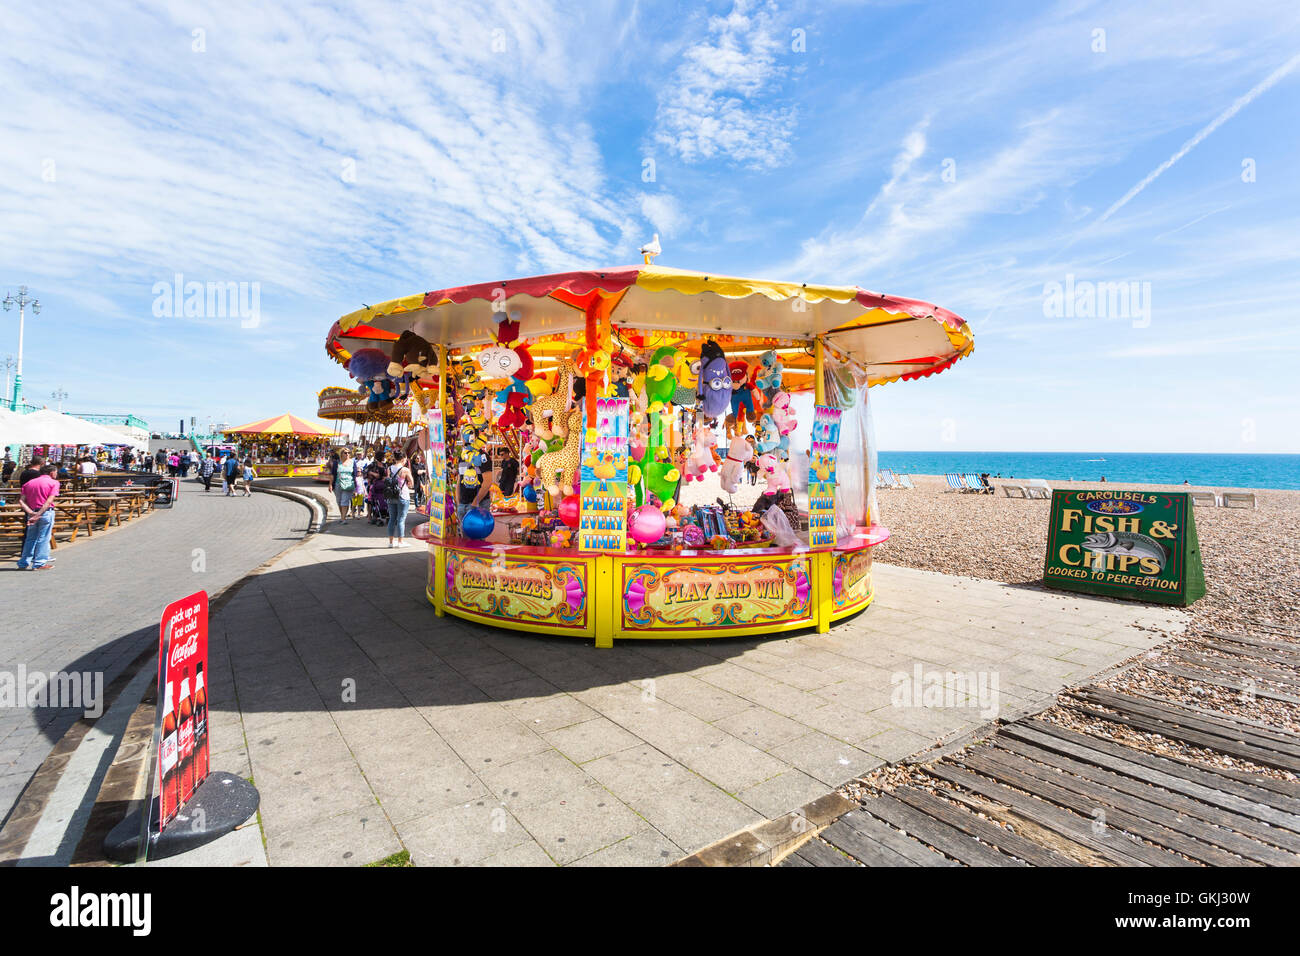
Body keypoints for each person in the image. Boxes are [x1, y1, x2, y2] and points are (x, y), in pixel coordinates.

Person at [17, 463, 60, 570]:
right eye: (56, 472)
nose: (57, 474)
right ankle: (40, 562)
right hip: (45, 512)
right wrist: (39, 514)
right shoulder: (54, 483)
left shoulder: (29, 483)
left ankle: (24, 562)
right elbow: (49, 500)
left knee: (30, 538)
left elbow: (21, 501)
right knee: (44, 538)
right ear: (51, 473)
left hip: (32, 512)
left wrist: (31, 513)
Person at [386, 451, 414, 548]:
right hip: (402, 495)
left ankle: (390, 542)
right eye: (406, 459)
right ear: (403, 459)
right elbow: (411, 483)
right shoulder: (405, 469)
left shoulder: (389, 468)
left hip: (391, 496)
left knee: (392, 519)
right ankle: (400, 542)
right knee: (401, 519)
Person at [331, 448, 360, 520]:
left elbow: (354, 475)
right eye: (345, 453)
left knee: (345, 501)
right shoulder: (336, 463)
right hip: (338, 484)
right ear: (341, 454)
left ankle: (343, 518)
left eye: (349, 453)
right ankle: (342, 515)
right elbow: (333, 475)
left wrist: (355, 488)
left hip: (349, 484)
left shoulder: (353, 463)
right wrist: (330, 485)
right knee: (339, 501)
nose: (347, 454)